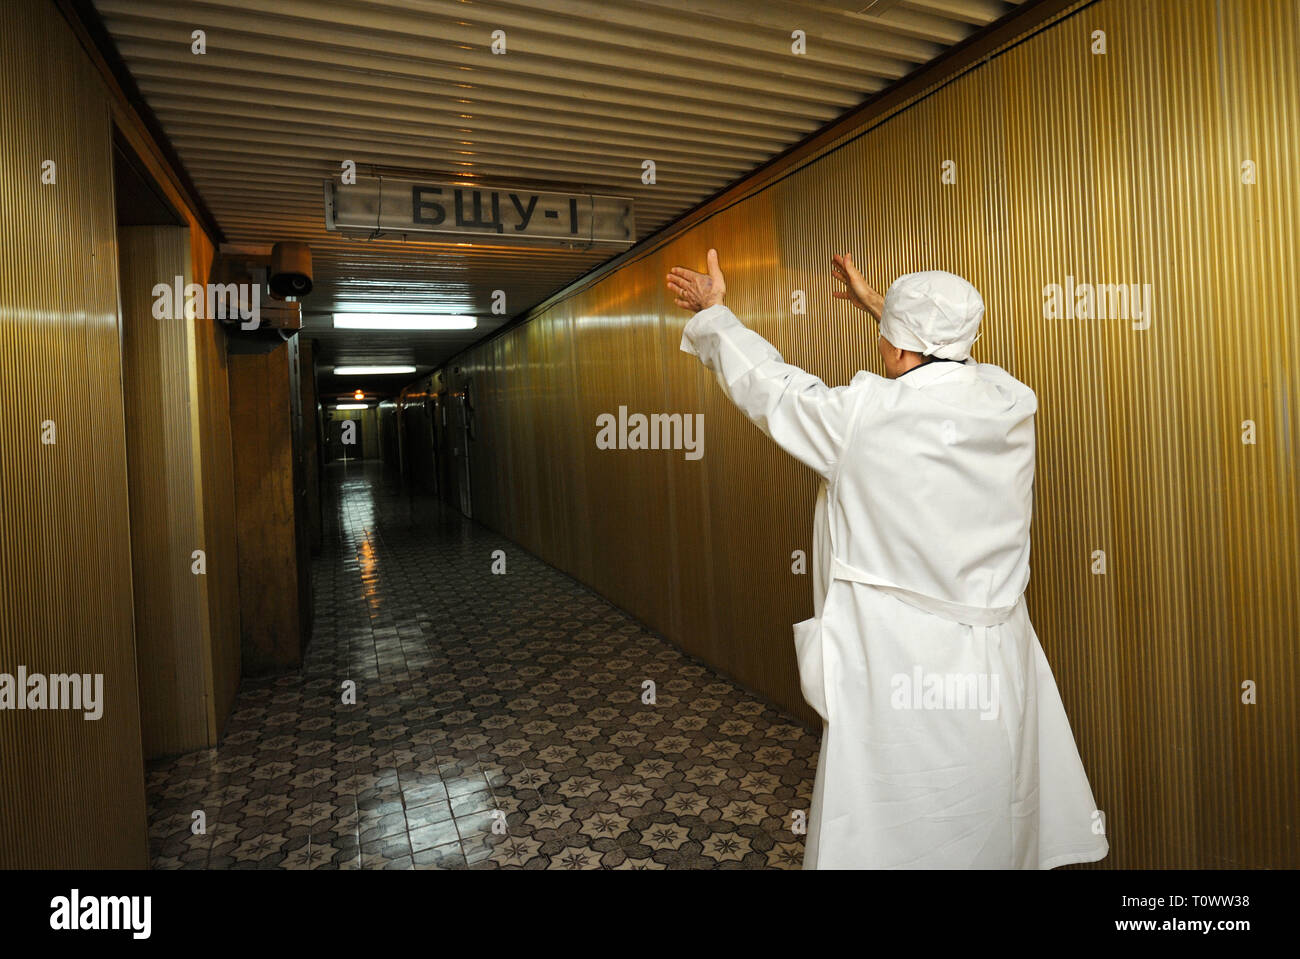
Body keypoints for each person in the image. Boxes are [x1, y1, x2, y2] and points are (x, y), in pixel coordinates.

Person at [666, 250, 1109, 870]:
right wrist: (888, 309)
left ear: (897, 347)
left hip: (900, 661)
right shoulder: (1011, 402)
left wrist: (717, 316)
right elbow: (953, 361)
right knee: (993, 803)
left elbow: (771, 388)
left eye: (886, 337)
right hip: (997, 654)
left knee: (902, 819)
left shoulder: (863, 418)